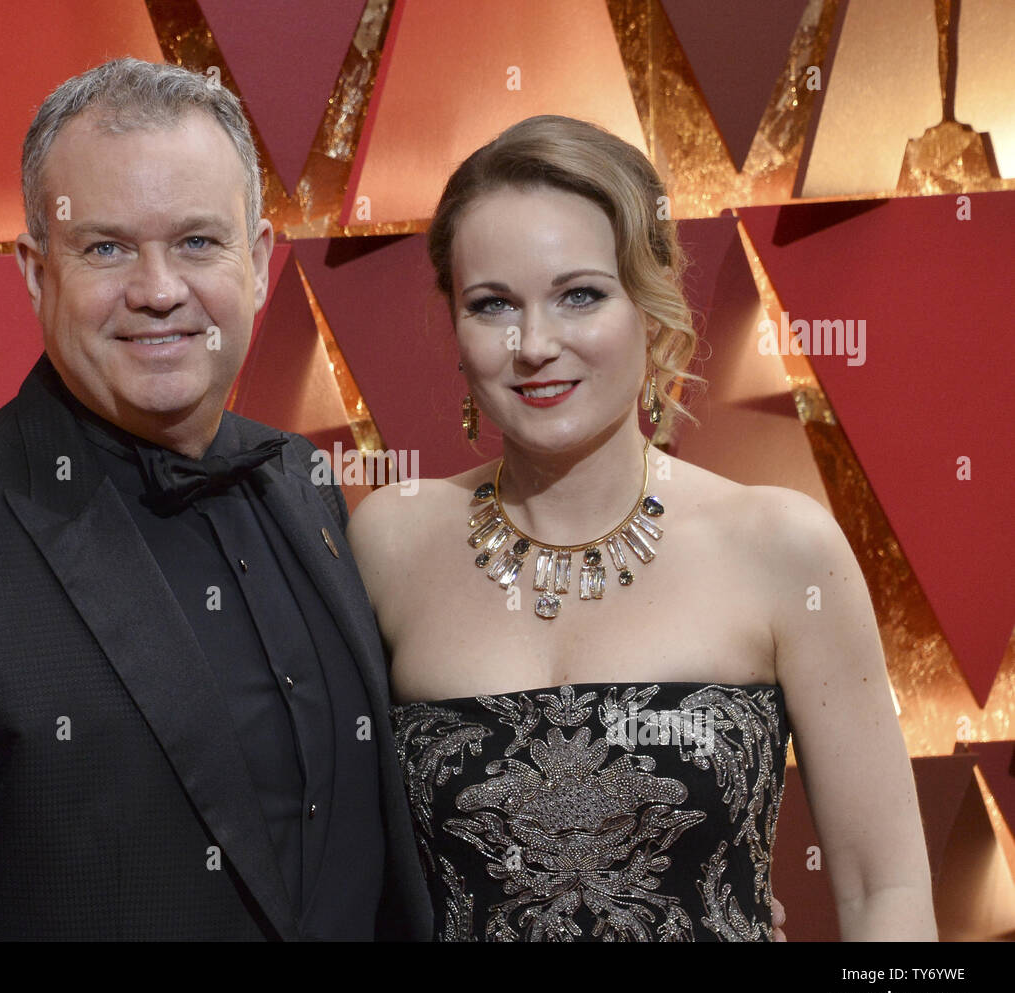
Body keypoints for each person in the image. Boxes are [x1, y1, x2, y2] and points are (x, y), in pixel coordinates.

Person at [0, 58, 430, 941]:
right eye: (106, 248)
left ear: (258, 259)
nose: (159, 290)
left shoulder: (301, 477)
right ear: (33, 271)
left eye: (198, 242)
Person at [346, 115, 936, 942]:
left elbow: (888, 893)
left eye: (579, 294)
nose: (534, 344)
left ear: (650, 308)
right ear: (456, 329)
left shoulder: (781, 547)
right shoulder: (390, 544)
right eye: (492, 305)